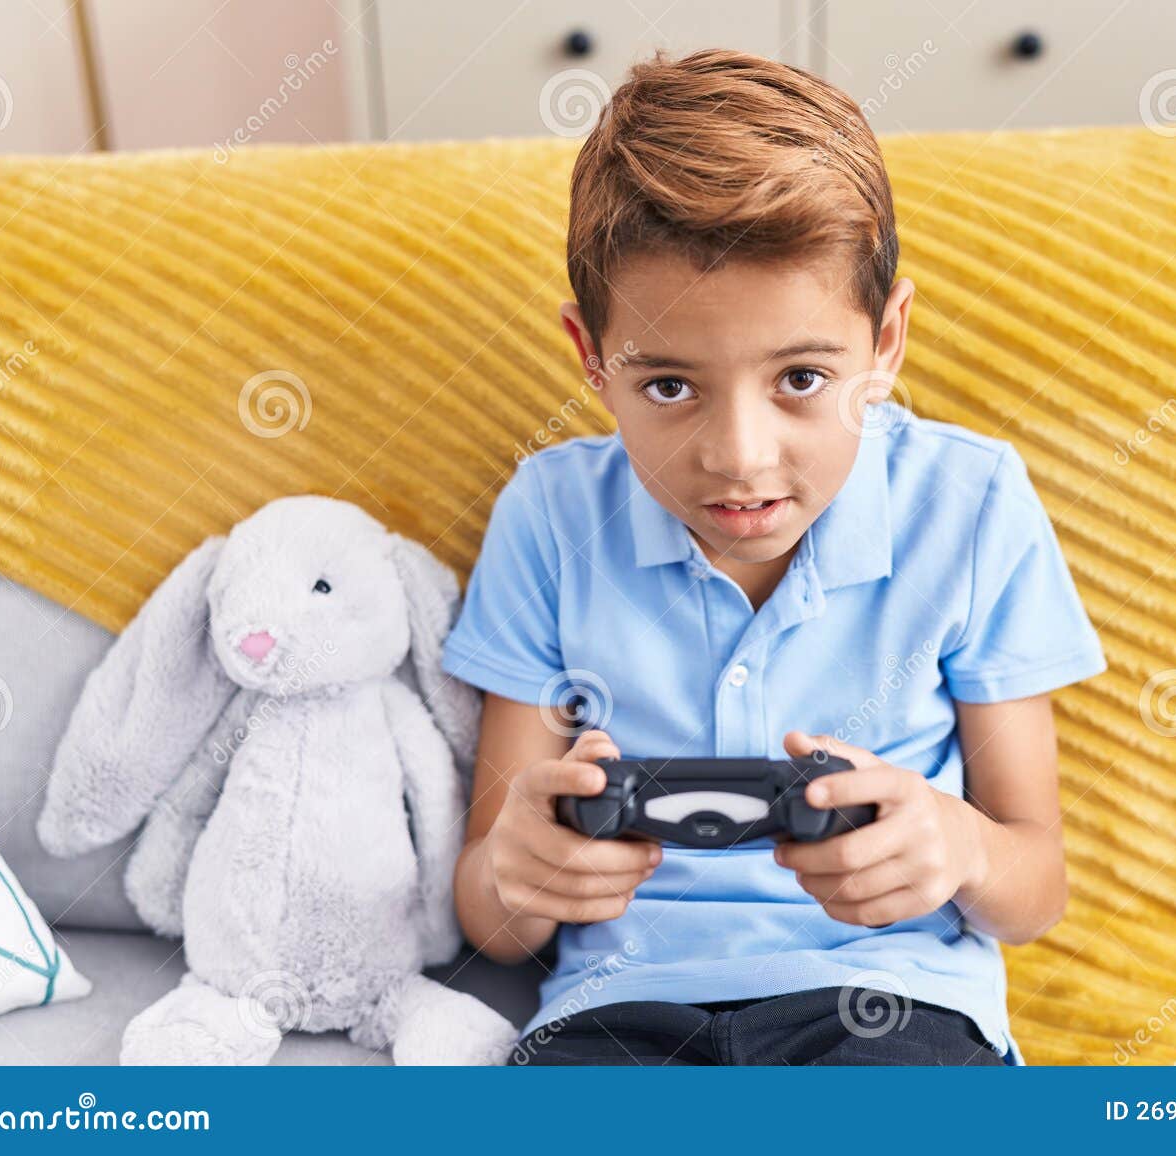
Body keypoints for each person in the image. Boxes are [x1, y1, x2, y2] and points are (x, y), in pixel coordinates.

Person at [441, 48, 1108, 1066]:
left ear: (885, 341)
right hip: (618, 1014)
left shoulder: (971, 505)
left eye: (800, 376)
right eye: (668, 386)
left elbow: (1035, 888)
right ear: (591, 359)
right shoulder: (550, 513)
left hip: (888, 1000)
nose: (738, 455)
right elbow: (493, 916)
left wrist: (960, 845)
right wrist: (518, 874)